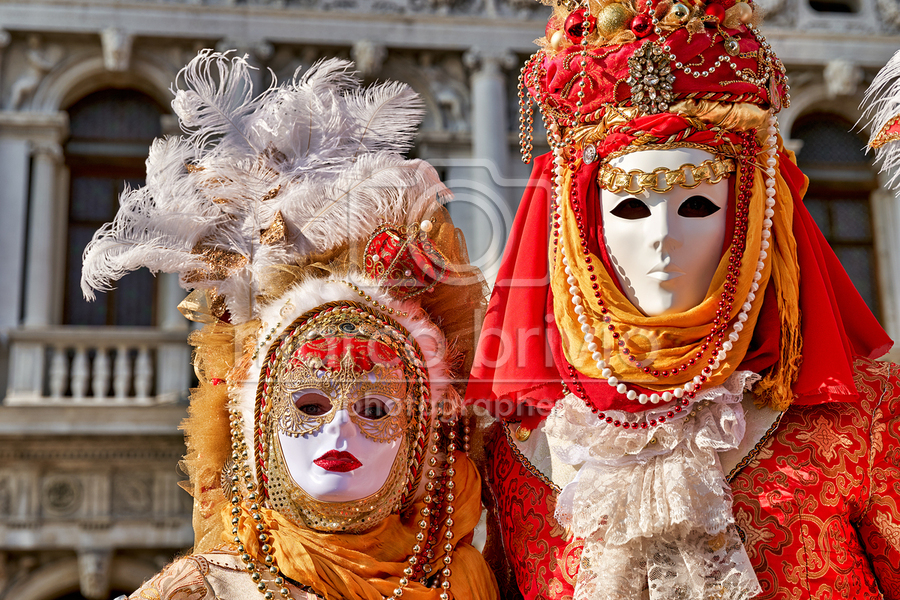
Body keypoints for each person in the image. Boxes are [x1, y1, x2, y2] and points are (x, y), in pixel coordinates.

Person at [465, 1, 900, 598]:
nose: (662, 237)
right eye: (629, 206)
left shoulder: (864, 415)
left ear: (752, 218)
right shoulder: (521, 445)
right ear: (580, 222)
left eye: (697, 204)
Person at [81, 50, 498, 600]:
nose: (340, 431)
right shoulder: (204, 592)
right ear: (257, 420)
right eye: (310, 405)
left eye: (375, 408)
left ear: (421, 431)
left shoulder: (462, 583)